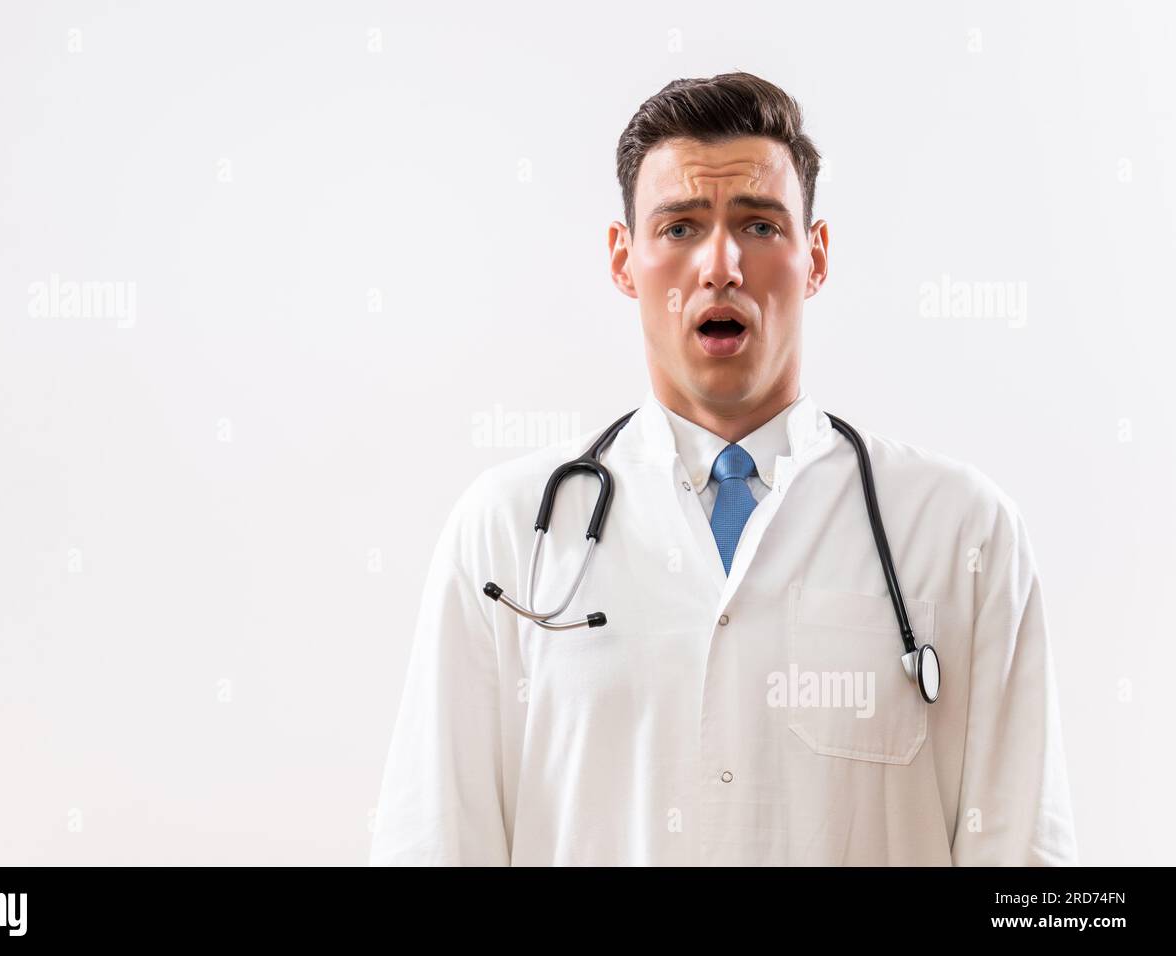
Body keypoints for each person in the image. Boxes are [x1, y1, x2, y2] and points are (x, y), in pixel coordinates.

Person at [368, 71, 1078, 866]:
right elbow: (433, 842)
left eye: (760, 225)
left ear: (816, 257)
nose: (721, 265)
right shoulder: (505, 532)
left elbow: (1025, 864)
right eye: (678, 227)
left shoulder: (959, 531)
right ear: (622, 259)